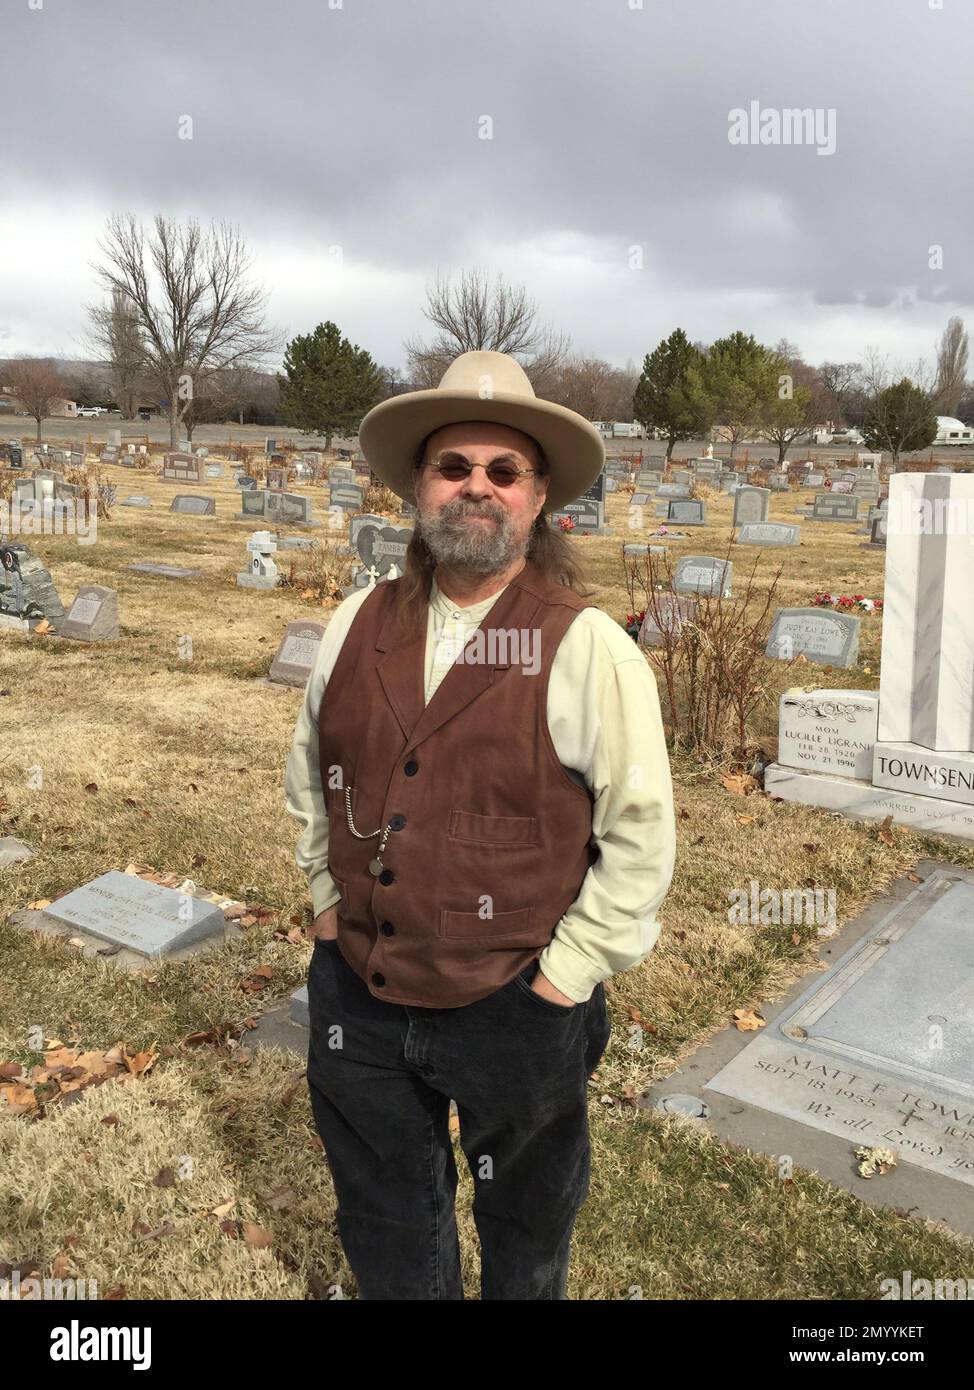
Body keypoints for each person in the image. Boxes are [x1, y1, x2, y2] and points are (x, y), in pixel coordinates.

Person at [283, 349, 676, 1299]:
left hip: (515, 1003)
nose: (477, 488)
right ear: (419, 485)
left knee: (526, 1229)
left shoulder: (587, 648)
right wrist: (325, 907)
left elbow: (640, 839)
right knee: (385, 1218)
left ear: (538, 499)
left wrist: (562, 981)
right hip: (362, 992)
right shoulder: (353, 624)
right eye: (454, 467)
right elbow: (312, 775)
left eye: (504, 472)